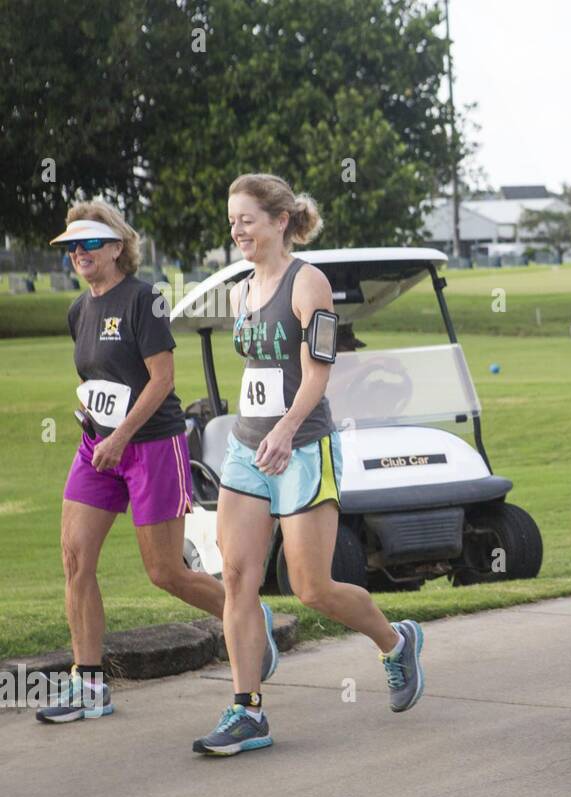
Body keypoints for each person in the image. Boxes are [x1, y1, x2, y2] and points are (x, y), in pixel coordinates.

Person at [195, 173, 424, 756]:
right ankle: (247, 710)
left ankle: (395, 642)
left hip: (301, 447)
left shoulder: (308, 282)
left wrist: (287, 428)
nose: (237, 230)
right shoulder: (245, 288)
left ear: (279, 221)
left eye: (246, 219)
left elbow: (319, 372)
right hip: (248, 449)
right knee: (239, 579)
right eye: (231, 221)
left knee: (311, 586)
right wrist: (254, 435)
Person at [37, 203, 276, 724]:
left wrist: (122, 436)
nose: (79, 253)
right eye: (71, 247)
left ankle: (251, 622)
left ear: (117, 247)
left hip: (150, 447)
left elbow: (161, 379)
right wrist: (94, 419)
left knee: (165, 572)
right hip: (97, 447)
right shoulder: (79, 310)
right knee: (76, 560)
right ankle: (89, 683)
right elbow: (100, 378)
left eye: (90, 243)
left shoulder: (146, 298)